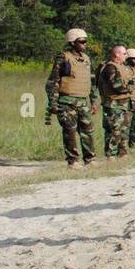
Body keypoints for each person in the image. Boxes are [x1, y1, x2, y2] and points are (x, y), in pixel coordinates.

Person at [44, 28, 99, 169]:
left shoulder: (86, 59)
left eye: (85, 41)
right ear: (72, 42)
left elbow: (91, 82)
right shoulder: (63, 58)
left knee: (88, 131)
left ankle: (90, 159)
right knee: (70, 132)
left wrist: (93, 101)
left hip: (83, 102)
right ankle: (73, 161)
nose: (85, 44)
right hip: (67, 102)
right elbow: (53, 82)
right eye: (82, 41)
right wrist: (53, 103)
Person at [97, 44, 134, 160]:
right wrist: (132, 87)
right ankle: (110, 156)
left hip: (124, 104)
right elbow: (116, 86)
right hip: (113, 104)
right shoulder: (110, 67)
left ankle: (123, 154)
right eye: (124, 54)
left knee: (124, 130)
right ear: (117, 54)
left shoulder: (123, 67)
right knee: (113, 130)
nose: (126, 56)